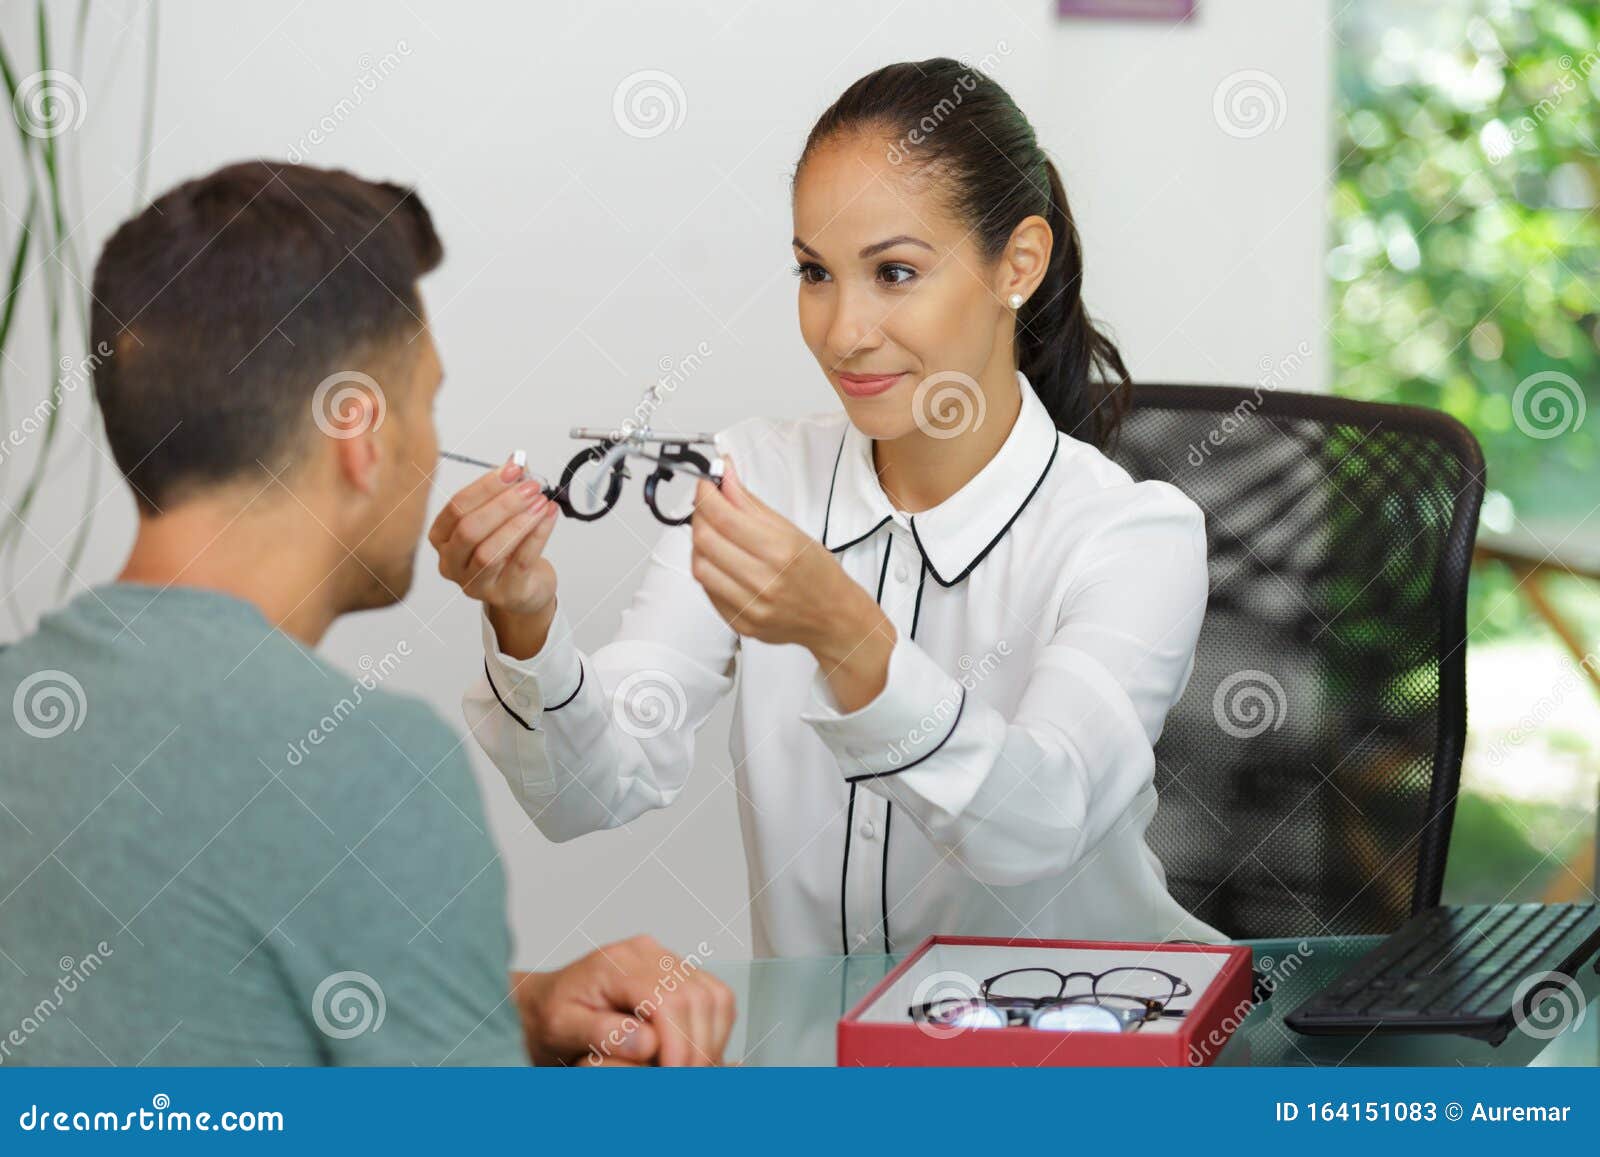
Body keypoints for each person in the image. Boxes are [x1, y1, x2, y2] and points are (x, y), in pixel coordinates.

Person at [438, 58, 1224, 958]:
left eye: (894, 272)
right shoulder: (760, 478)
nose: (843, 331)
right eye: (815, 272)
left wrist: (850, 639)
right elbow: (591, 792)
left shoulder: (1131, 538)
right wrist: (525, 618)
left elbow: (1036, 823)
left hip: (1062, 1067)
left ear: (1020, 263)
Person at [0, 161, 734, 1065]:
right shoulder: (365, 766)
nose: (431, 450)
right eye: (426, 402)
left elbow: (165, 1001)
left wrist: (513, 1006)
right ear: (360, 434)